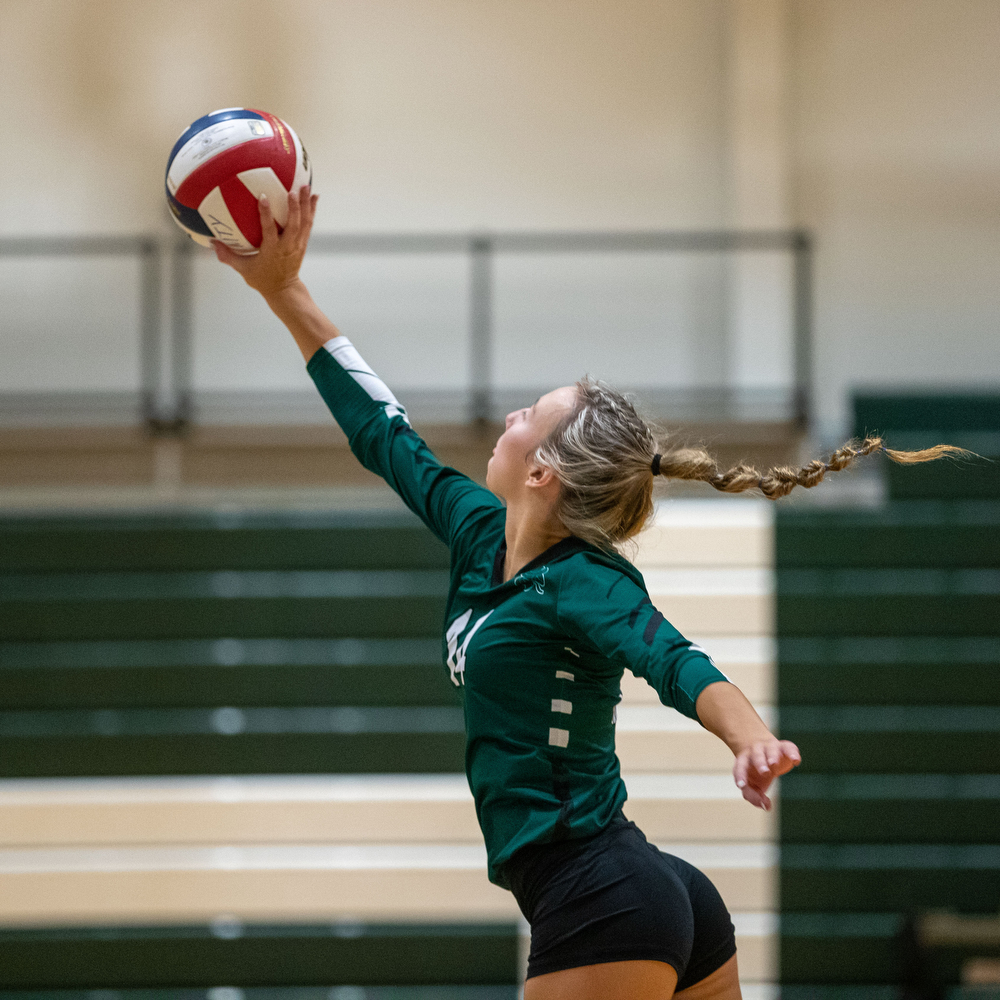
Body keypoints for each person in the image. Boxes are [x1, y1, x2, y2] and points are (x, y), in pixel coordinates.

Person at [213, 187, 961, 1000]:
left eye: (525, 415)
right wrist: (282, 291)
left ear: (543, 472)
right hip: (644, 892)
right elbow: (383, 432)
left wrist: (749, 737)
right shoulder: (478, 531)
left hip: (605, 898)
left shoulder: (584, 581)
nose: (507, 414)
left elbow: (672, 658)